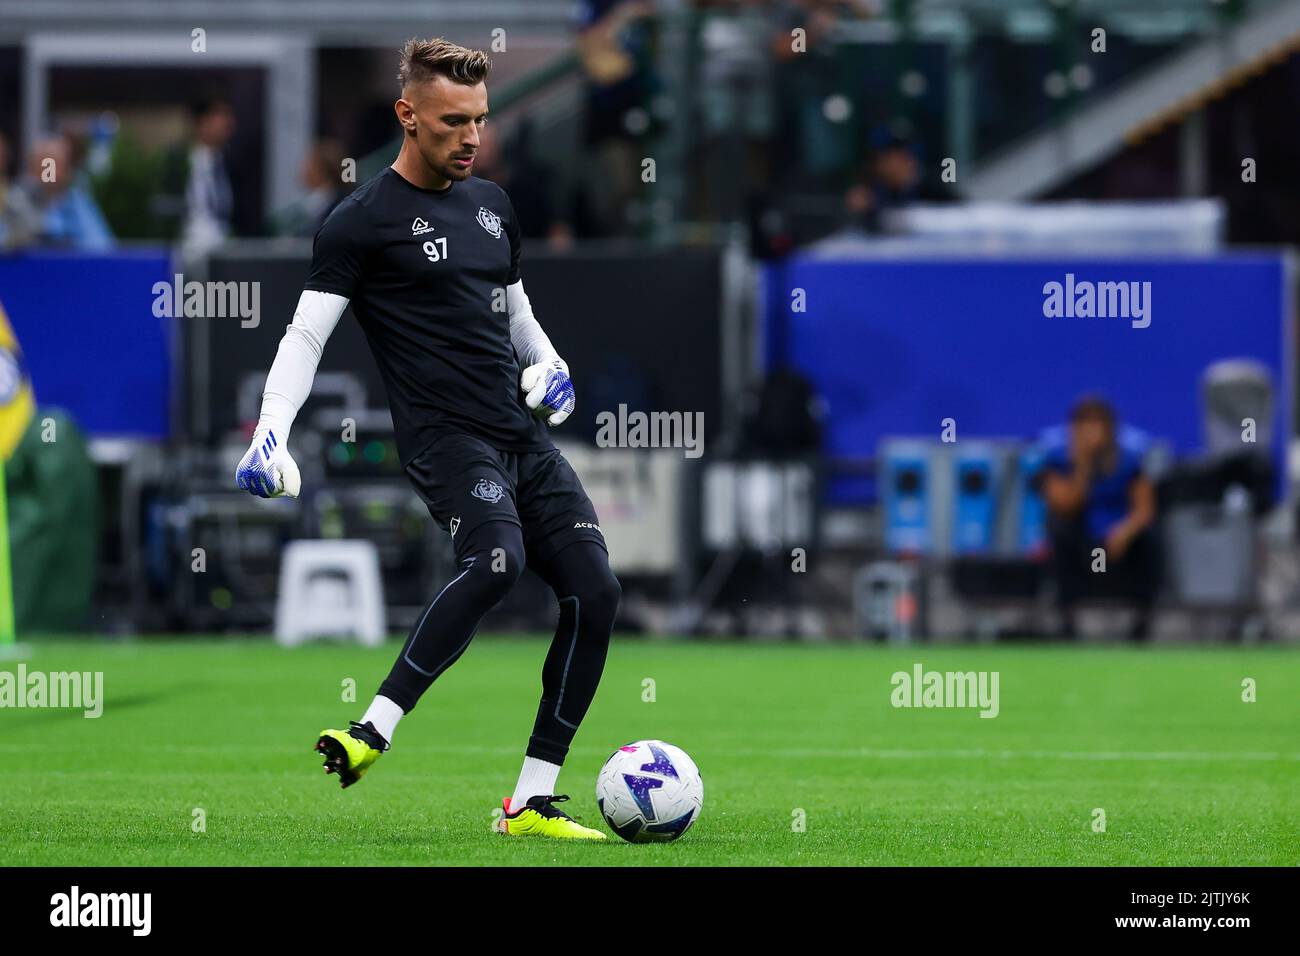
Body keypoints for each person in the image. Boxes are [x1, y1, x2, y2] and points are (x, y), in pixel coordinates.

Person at [235, 37, 620, 841]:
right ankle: (372, 729)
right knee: (497, 561)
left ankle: (531, 803)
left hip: (520, 436)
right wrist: (271, 433)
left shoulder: (492, 206)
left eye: (479, 119)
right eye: (453, 122)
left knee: (598, 590)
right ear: (408, 116)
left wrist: (554, 367)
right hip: (447, 441)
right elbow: (304, 339)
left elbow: (519, 320)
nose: (471, 137)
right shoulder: (359, 223)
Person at [1039, 396, 1159, 641]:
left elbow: (1144, 509)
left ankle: (1141, 624)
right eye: (1084, 424)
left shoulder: (1129, 461)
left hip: (1119, 543)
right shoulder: (1058, 460)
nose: (1092, 432)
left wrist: (1125, 532)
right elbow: (1065, 505)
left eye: (1097, 423)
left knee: (1152, 539)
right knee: (1059, 530)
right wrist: (1082, 466)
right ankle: (1067, 623)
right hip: (1082, 542)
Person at [158, 96, 235, 254]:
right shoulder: (177, 163)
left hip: (223, 248)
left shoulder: (232, 165)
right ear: (202, 122)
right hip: (184, 247)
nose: (226, 123)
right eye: (218, 115)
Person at [12, 134, 114, 251]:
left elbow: (102, 247)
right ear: (32, 167)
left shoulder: (79, 203)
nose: (51, 172)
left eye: (58, 164)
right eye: (45, 164)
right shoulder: (16, 200)